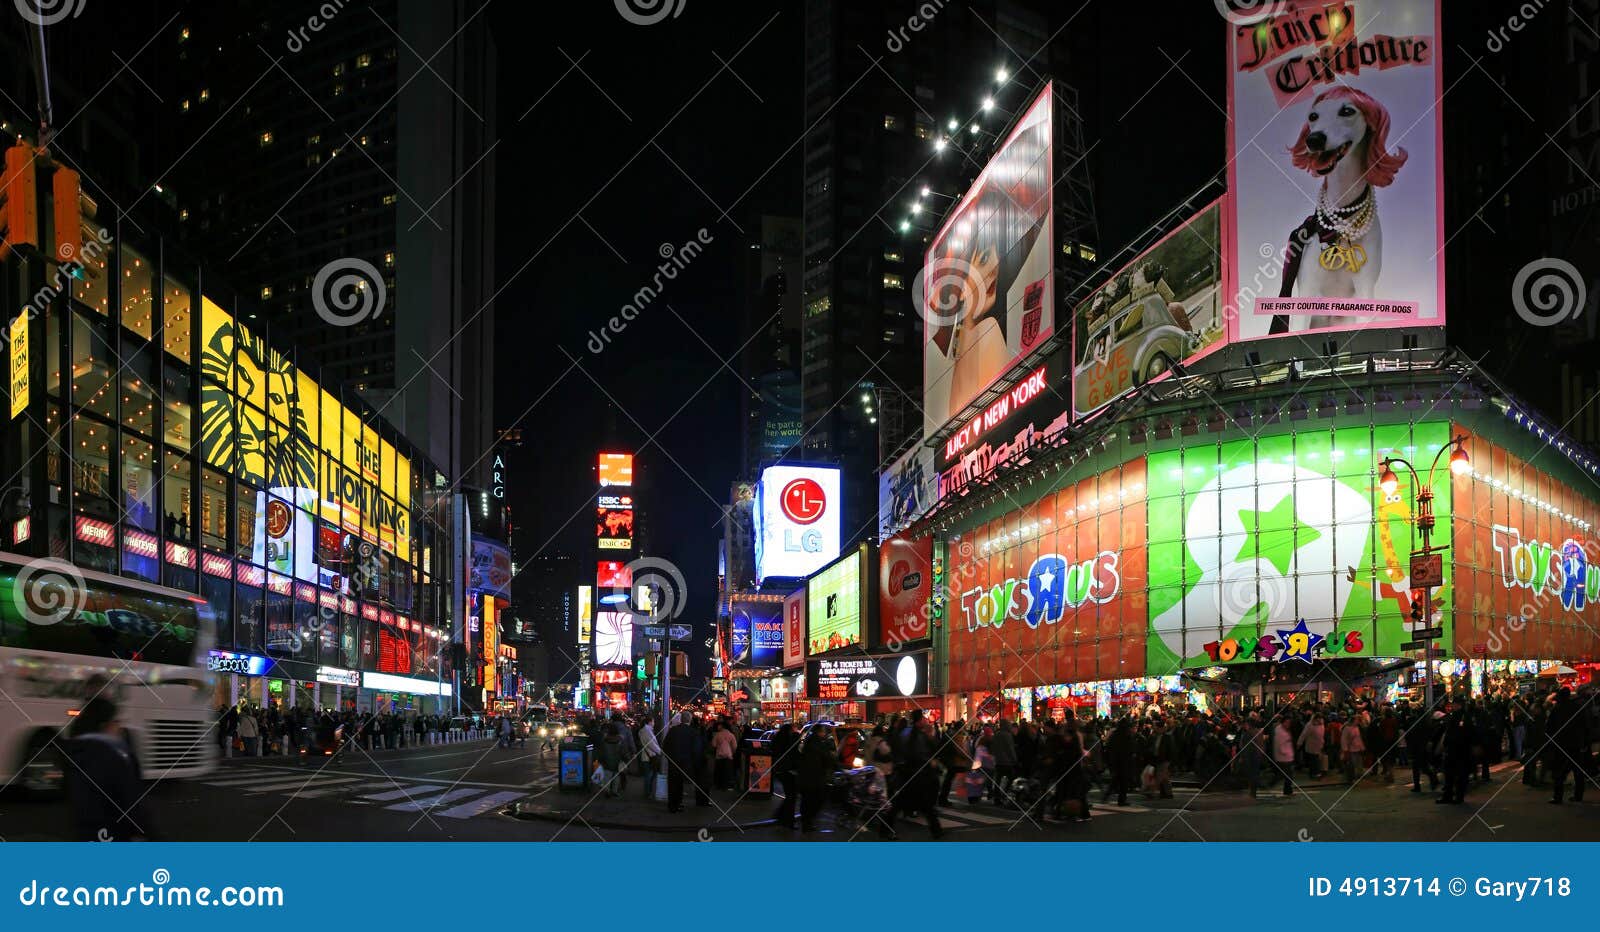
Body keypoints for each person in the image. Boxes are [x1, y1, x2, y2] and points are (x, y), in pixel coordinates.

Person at [63, 697, 153, 841]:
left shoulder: (75, 751)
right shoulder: (114, 758)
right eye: (115, 722)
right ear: (105, 725)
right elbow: (131, 805)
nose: (119, 727)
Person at [888, 714, 943, 839]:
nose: (925, 721)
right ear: (918, 721)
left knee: (902, 804)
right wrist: (929, 762)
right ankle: (936, 830)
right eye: (923, 719)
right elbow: (918, 754)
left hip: (910, 774)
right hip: (915, 774)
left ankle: (936, 830)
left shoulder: (909, 733)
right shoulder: (915, 735)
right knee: (923, 804)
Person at [1546, 687, 1588, 804]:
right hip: (1575, 743)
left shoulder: (1557, 709)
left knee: (1559, 772)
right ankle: (1578, 795)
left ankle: (1558, 796)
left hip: (1561, 744)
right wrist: (1584, 742)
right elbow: (1584, 726)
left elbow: (1550, 727)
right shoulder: (1577, 708)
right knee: (1577, 770)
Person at [796, 724, 836, 832]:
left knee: (807, 800)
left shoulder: (808, 742)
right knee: (816, 799)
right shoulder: (818, 744)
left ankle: (806, 822)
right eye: (823, 731)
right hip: (814, 777)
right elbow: (826, 759)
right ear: (819, 732)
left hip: (806, 777)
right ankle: (808, 822)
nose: (825, 733)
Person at [663, 713, 702, 813]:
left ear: (681, 719)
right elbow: (696, 749)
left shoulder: (673, 730)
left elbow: (665, 746)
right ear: (690, 720)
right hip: (686, 762)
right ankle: (678, 803)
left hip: (673, 761)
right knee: (681, 783)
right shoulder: (693, 732)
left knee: (672, 783)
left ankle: (672, 805)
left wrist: (669, 757)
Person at [770, 723, 800, 828]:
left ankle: (781, 816)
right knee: (791, 796)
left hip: (780, 770)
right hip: (788, 771)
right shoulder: (789, 742)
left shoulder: (778, 741)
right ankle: (787, 820)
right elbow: (794, 753)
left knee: (790, 796)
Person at [1106, 719, 1137, 806]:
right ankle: (1121, 800)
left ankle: (1107, 795)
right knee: (1123, 781)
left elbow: (1109, 746)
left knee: (1116, 779)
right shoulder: (1127, 734)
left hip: (1116, 760)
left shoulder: (1115, 734)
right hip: (1125, 760)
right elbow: (1131, 747)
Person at [638, 715, 662, 799]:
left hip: (648, 756)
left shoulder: (647, 730)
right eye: (653, 721)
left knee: (650, 775)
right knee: (649, 776)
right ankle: (647, 793)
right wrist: (660, 751)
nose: (654, 723)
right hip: (648, 756)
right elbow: (651, 744)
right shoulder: (646, 731)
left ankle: (648, 792)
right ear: (649, 722)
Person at [1339, 713, 1366, 785]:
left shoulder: (1356, 728)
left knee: (1358, 763)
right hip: (1350, 749)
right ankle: (1350, 779)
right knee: (1351, 765)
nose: (1359, 721)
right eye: (1358, 720)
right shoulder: (1347, 728)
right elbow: (1344, 740)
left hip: (1357, 748)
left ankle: (1356, 777)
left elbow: (1358, 738)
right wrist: (1345, 749)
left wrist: (1362, 747)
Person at [1272, 718, 1297, 796]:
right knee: (1288, 775)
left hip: (1286, 756)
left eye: (1289, 722)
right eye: (1286, 722)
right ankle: (1287, 790)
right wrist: (1285, 752)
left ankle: (1287, 790)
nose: (1288, 724)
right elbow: (1280, 745)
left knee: (1284, 774)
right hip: (1284, 757)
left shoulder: (1283, 730)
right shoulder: (1280, 732)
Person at [711, 720, 738, 790]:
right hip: (728, 755)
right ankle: (725, 786)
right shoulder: (731, 735)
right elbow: (735, 746)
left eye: (719, 725)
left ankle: (718, 785)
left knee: (719, 771)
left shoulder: (717, 734)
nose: (718, 726)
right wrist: (732, 752)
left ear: (722, 726)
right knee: (727, 772)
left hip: (719, 755)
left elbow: (713, 745)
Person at [1297, 714, 1326, 779]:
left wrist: (1322, 743)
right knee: (1313, 759)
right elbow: (1304, 734)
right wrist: (1299, 743)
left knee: (1316, 759)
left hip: (1318, 745)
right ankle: (1314, 773)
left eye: (1320, 718)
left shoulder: (1321, 724)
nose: (1319, 720)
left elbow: (1322, 735)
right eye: (1318, 718)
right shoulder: (1310, 725)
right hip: (1311, 745)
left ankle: (1315, 772)